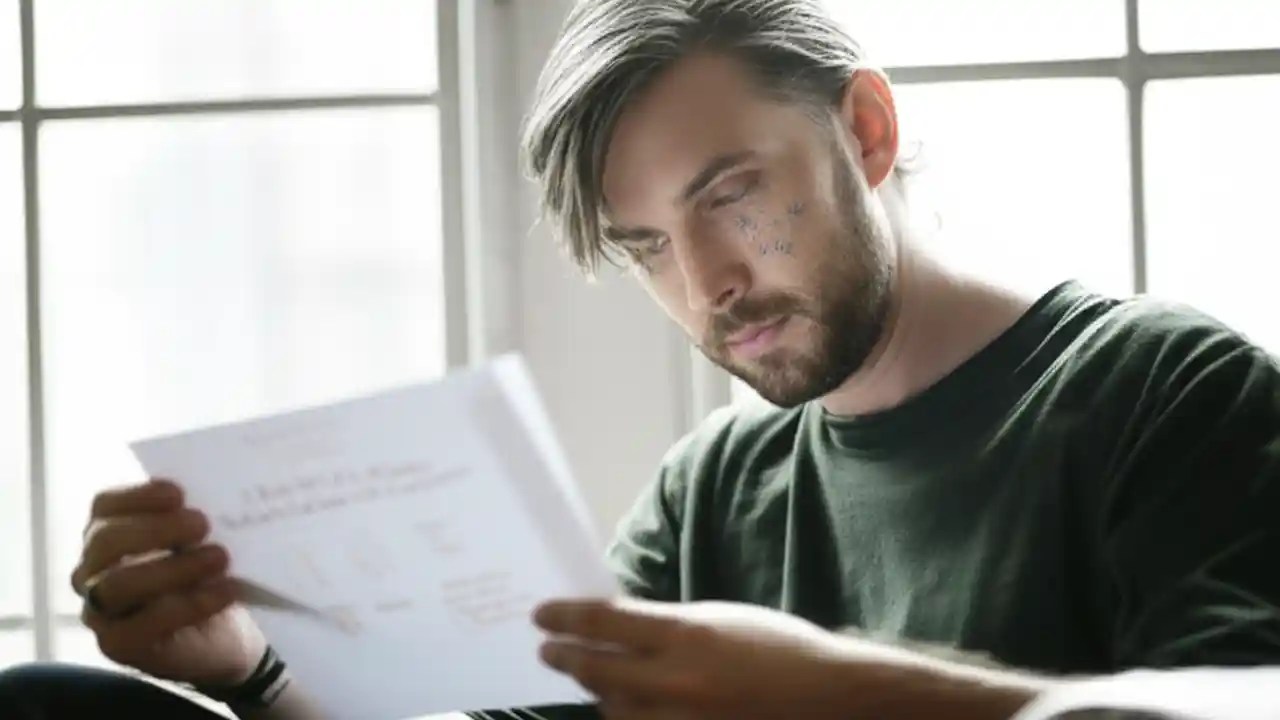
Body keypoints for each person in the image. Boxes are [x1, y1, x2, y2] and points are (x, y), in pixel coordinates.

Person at [3, 1, 1279, 718]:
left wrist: (828, 696)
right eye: (646, 248)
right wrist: (254, 664)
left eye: (729, 193)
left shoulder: (1165, 393)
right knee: (50, 704)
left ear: (869, 131)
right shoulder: (714, 485)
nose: (706, 283)